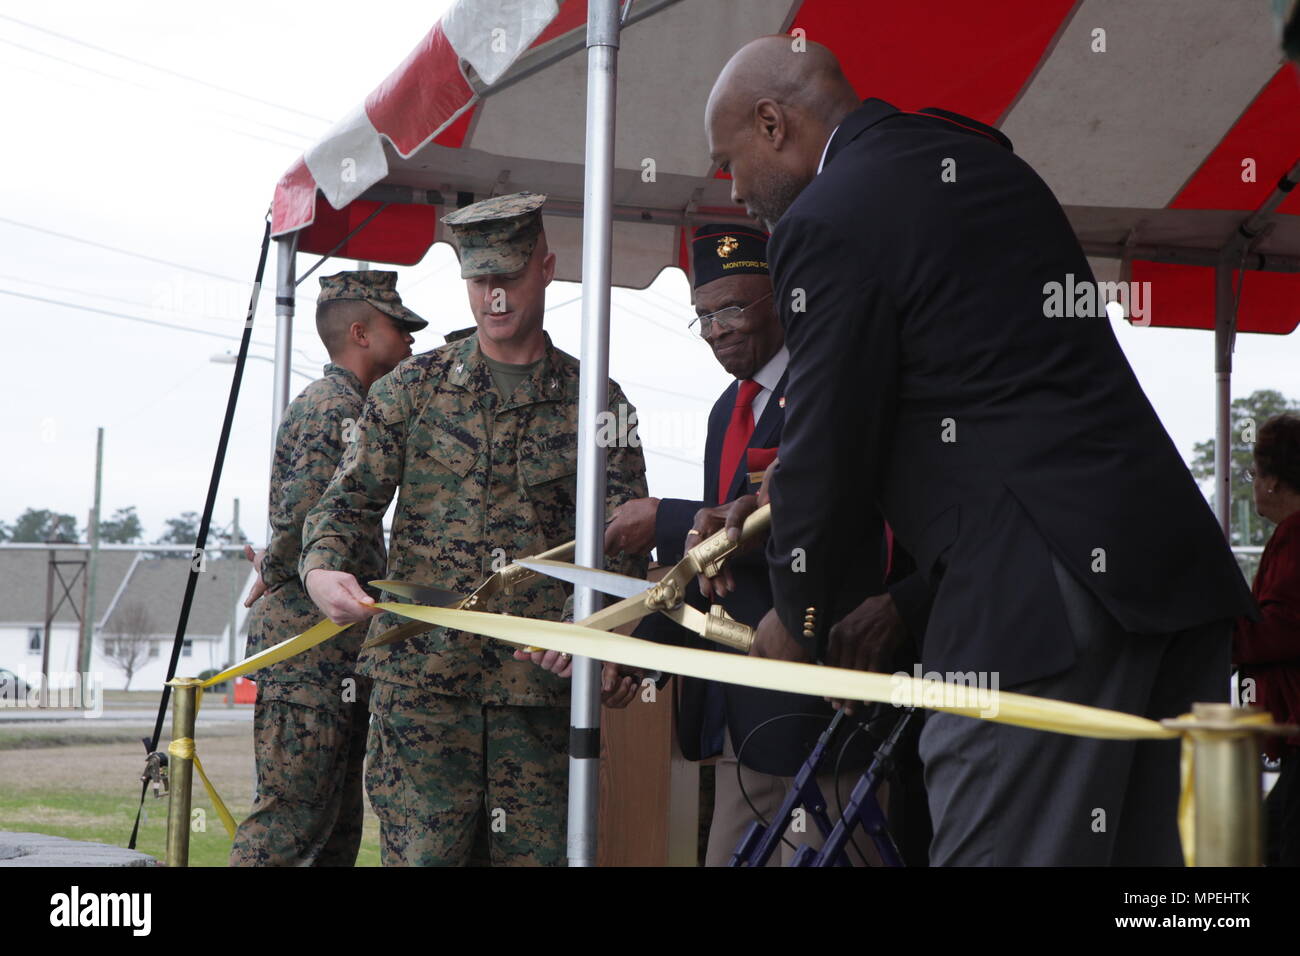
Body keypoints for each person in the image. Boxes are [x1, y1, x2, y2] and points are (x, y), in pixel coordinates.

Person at [703, 36, 1256, 865]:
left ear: (773, 122)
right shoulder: (986, 165)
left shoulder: (824, 220)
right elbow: (987, 391)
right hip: (1168, 579)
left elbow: (834, 441)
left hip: (1038, 613)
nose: (735, 189)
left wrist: (800, 611)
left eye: (730, 161)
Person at [301, 192, 646, 867]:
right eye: (479, 279)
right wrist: (320, 567)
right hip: (423, 700)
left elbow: (627, 545)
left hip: (539, 705)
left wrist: (599, 633)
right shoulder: (411, 389)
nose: (494, 295)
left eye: (509, 275)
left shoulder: (598, 403)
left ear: (545, 267)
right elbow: (346, 501)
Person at [606, 223, 930, 865]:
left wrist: (667, 520)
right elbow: (717, 568)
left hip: (831, 718)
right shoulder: (726, 411)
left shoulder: (831, 392)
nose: (717, 329)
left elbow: (835, 526)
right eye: (703, 315)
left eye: (732, 308)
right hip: (744, 727)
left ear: (783, 297)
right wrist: (634, 649)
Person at [230, 270, 424, 867]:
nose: (413, 342)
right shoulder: (339, 409)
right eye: (401, 329)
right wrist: (276, 567)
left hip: (334, 649)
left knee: (336, 823)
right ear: (362, 333)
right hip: (307, 647)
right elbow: (306, 513)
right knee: (291, 820)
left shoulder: (352, 405)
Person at [1233, 412, 1300, 866]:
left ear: (1273, 480)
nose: (1253, 483)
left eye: (1254, 474)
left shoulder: (1295, 537)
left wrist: (1218, 630)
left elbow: (1282, 629)